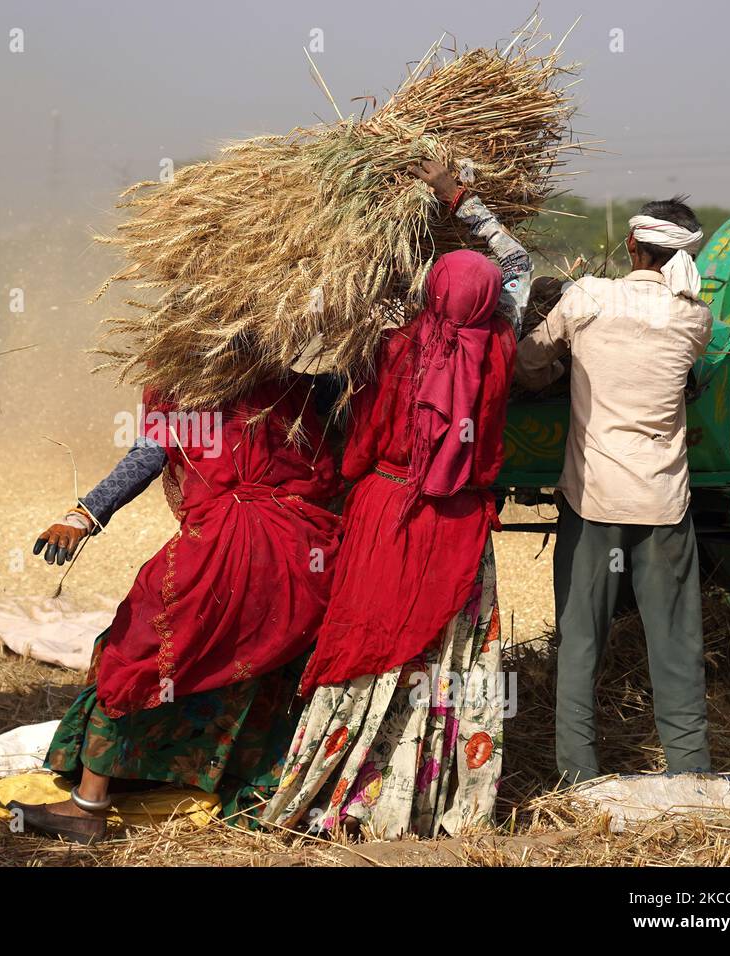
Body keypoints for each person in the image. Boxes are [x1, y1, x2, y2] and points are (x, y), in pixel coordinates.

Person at [261, 162, 526, 839]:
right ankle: (435, 806)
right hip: (460, 522)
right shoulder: (501, 343)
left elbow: (363, 291)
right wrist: (459, 199)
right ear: (492, 300)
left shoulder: (391, 344)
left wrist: (391, 219)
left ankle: (331, 794)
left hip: (387, 511)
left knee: (370, 644)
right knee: (453, 663)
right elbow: (517, 265)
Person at [12, 378, 342, 843]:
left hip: (225, 547)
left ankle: (87, 807)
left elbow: (148, 455)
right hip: (305, 547)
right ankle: (256, 795)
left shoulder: (186, 378)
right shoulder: (306, 383)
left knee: (137, 652)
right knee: (256, 664)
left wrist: (83, 515)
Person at [515, 198, 714, 783]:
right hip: (664, 502)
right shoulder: (694, 318)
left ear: (632, 244)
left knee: (581, 641)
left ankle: (578, 776)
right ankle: (692, 771)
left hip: (594, 496)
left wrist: (561, 368)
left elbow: (527, 363)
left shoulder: (587, 298)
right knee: (677, 643)